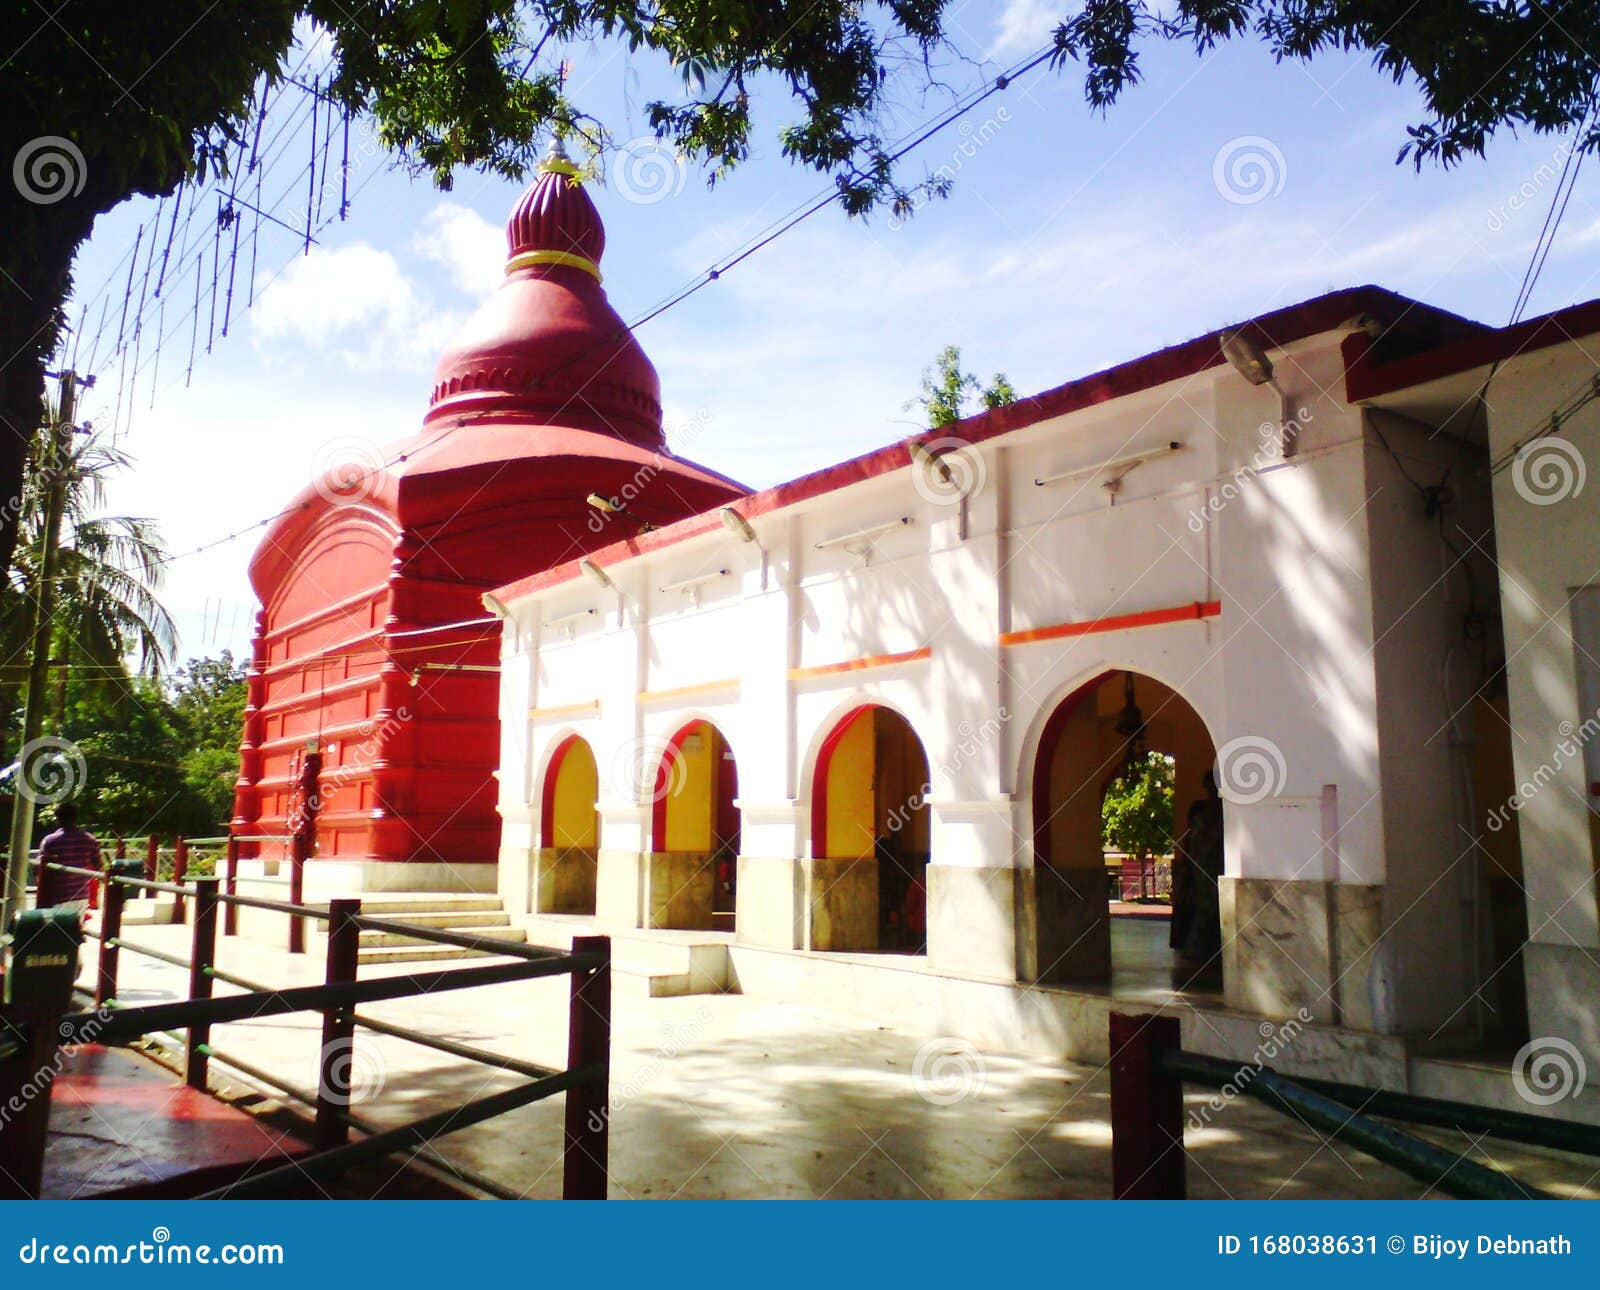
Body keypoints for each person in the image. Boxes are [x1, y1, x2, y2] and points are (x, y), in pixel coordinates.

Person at [34, 801, 102, 909]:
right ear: (76, 817)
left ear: (58, 818)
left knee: (57, 925)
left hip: (57, 896)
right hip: (82, 896)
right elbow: (99, 867)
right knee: (75, 926)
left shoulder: (50, 841)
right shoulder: (89, 839)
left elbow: (39, 869)